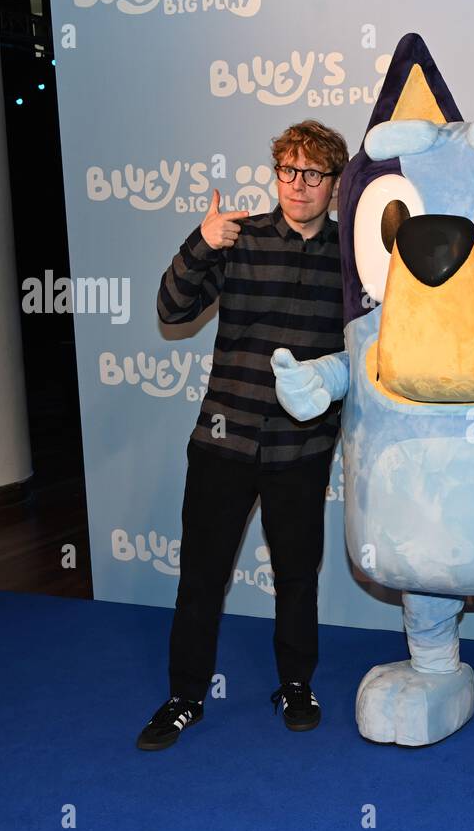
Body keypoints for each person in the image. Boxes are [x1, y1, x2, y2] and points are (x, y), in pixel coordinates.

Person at [136, 120, 348, 750]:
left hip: (302, 449)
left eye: (313, 175)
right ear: (275, 172)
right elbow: (171, 309)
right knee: (202, 574)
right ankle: (184, 697)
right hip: (222, 441)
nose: (298, 186)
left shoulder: (353, 254)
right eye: (288, 171)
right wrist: (200, 242)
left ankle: (295, 684)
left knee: (296, 576)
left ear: (334, 184)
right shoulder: (238, 237)